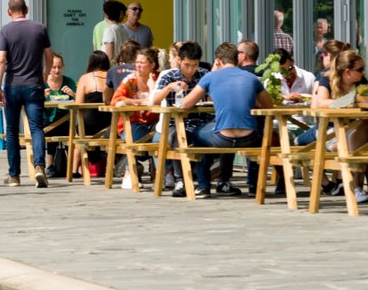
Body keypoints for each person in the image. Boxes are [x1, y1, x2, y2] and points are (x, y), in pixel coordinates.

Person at [179, 42, 274, 199]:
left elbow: (186, 104)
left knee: (197, 132)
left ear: (218, 60)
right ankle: (254, 186)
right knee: (259, 133)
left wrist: (213, 72)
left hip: (223, 137)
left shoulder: (210, 77)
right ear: (237, 59)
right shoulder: (251, 78)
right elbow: (269, 105)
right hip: (249, 137)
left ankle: (203, 186)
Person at [0, 0, 53, 189]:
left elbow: (1, 59)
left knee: (12, 131)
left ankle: (14, 176)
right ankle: (39, 167)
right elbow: (50, 58)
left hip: (12, 85)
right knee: (36, 128)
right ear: (26, 9)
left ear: (9, 11)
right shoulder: (40, 28)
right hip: (34, 84)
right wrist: (43, 79)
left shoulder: (5, 31)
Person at [306, 49, 368, 203]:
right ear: (347, 71)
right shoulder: (326, 79)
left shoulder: (361, 82)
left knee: (360, 136)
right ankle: (355, 188)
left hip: (356, 128)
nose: (363, 72)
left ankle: (356, 188)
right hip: (330, 133)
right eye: (360, 69)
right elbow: (320, 104)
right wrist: (349, 100)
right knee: (357, 140)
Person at [150, 40, 211, 194]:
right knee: (179, 135)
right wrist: (169, 87)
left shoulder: (205, 75)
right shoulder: (168, 76)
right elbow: (155, 100)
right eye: (187, 65)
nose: (191, 69)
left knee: (213, 133)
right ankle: (180, 180)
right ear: (179, 60)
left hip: (200, 122)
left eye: (195, 65)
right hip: (173, 124)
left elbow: (215, 97)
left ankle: (206, 183)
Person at [110, 47, 161, 183]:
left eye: (142, 62)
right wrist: (139, 101)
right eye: (137, 62)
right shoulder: (130, 80)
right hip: (131, 122)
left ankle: (163, 174)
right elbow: (116, 100)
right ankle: (130, 171)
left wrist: (152, 88)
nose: (138, 65)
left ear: (152, 65)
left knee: (162, 137)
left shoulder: (160, 79)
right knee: (138, 136)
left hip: (154, 123)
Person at [73, 51, 113, 179]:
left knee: (79, 134)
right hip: (110, 124)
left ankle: (74, 169)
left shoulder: (85, 78)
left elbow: (78, 104)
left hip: (90, 123)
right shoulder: (112, 76)